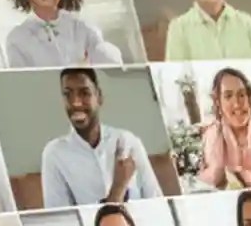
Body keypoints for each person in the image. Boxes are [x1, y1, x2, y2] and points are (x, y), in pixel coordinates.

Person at [40, 67, 163, 207]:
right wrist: (119, 186)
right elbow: (61, 219)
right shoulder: (54, 154)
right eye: (68, 94)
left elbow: (156, 202)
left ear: (99, 97)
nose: (75, 103)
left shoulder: (129, 142)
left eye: (84, 93)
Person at [197, 67, 251, 189]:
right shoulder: (214, 132)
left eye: (241, 95)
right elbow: (213, 177)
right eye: (228, 96)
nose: (237, 104)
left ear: (249, 98)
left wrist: (236, 175)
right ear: (218, 103)